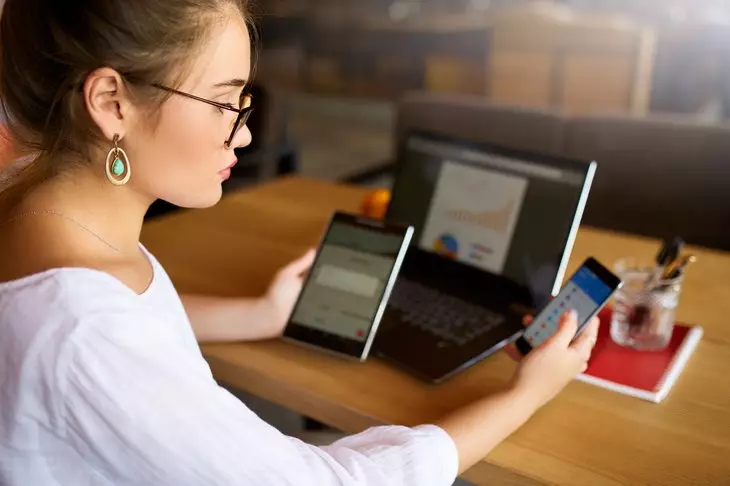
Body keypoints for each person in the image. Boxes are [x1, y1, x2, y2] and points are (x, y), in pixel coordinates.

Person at [0, 0, 600, 484]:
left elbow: (119, 321)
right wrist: (527, 394)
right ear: (111, 102)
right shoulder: (85, 336)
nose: (245, 130)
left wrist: (261, 313)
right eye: (222, 102)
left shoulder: (36, 213)